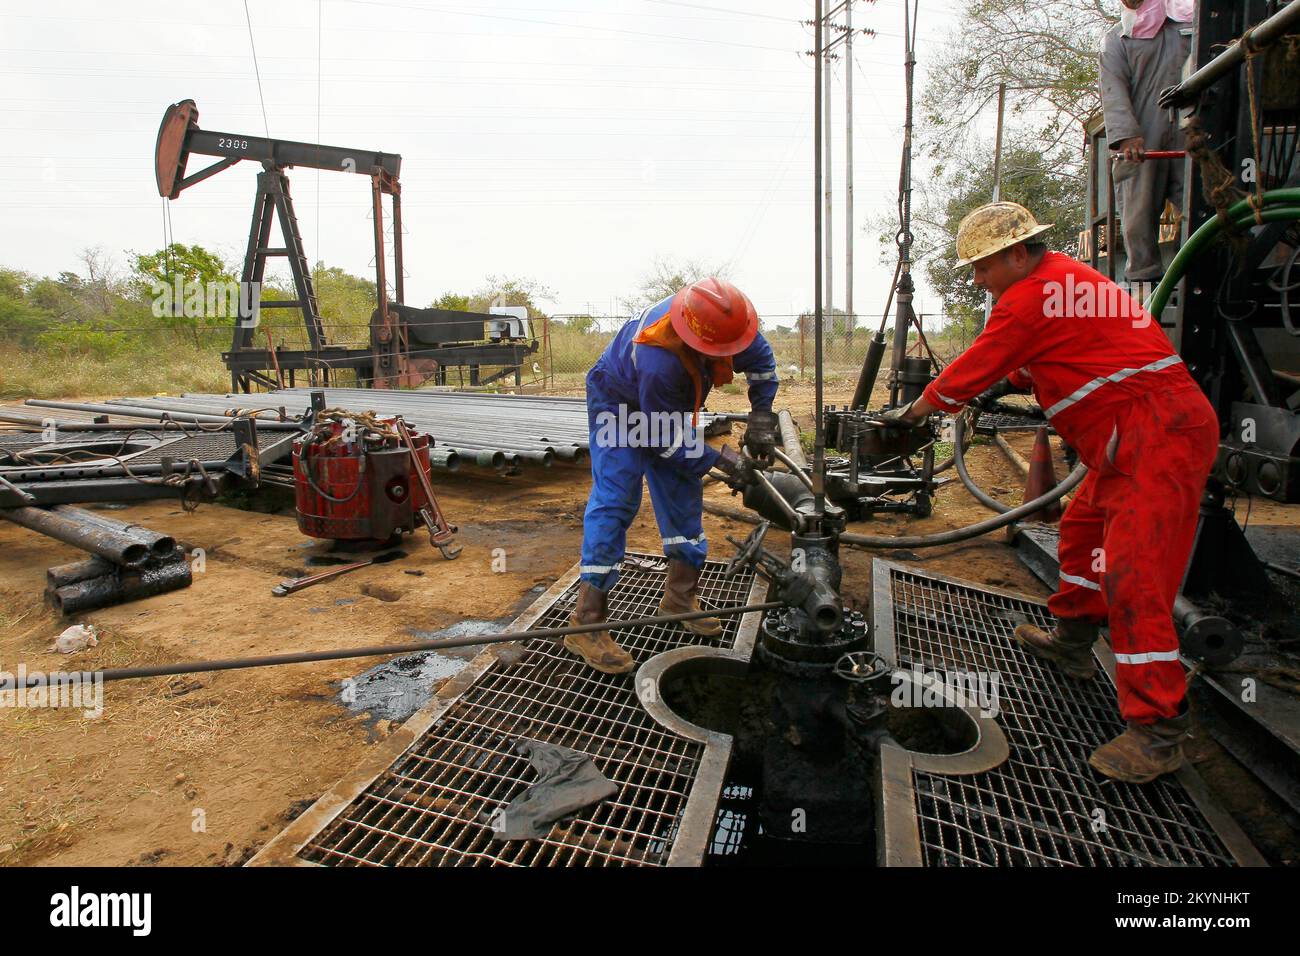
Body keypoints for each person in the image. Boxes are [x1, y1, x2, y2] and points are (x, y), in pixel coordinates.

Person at [881, 201, 1219, 784]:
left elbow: (983, 360)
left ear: (1018, 254)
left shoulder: (1034, 295)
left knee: (1133, 579)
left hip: (1158, 437)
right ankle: (1072, 640)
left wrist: (915, 412)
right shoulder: (1061, 283)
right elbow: (1049, 353)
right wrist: (1003, 384)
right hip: (1129, 438)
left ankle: (1158, 730)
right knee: (1083, 533)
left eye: (983, 266)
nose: (978, 279)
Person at [568, 277, 778, 674]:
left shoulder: (730, 326)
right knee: (617, 498)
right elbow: (663, 440)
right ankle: (586, 623)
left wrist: (762, 416)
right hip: (618, 404)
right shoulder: (658, 357)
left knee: (682, 490)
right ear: (696, 342)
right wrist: (726, 464)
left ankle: (679, 599)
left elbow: (763, 369)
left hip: (667, 407)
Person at [1099, 0, 1194, 287]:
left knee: (1196, 203)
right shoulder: (1116, 39)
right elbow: (1113, 89)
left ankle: (1191, 270)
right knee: (1137, 214)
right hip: (1142, 139)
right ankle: (1144, 282)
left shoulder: (1189, 24)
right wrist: (1127, 135)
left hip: (1190, 133)